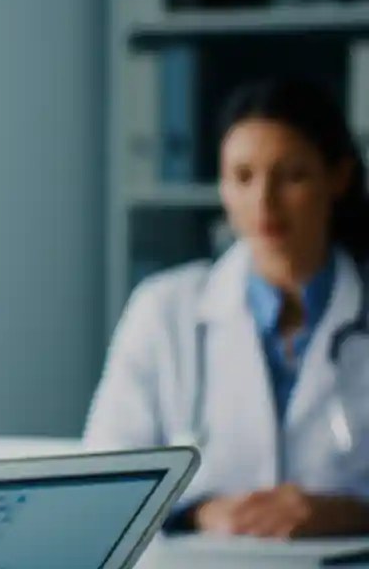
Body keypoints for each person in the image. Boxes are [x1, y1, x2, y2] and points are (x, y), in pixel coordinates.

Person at [84, 78, 369, 539]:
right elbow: (102, 483)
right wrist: (197, 512)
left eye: (291, 176)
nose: (263, 201)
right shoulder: (164, 311)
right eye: (242, 177)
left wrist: (354, 515)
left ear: (337, 177)